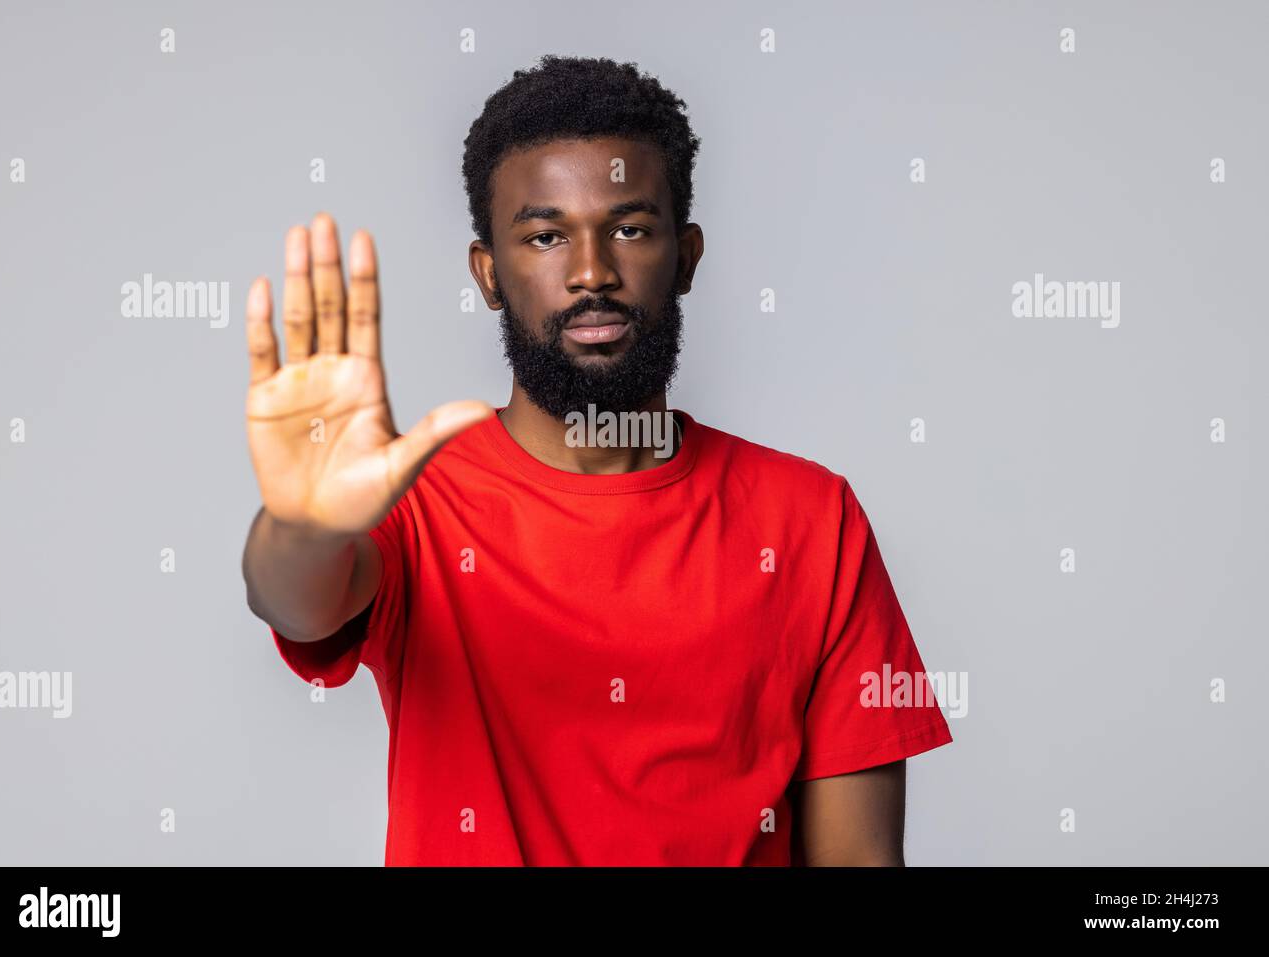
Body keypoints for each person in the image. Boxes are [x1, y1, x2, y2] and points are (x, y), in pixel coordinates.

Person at [241, 54, 952, 866]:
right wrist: (300, 527)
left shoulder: (811, 520)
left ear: (685, 256)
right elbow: (297, 602)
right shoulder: (417, 503)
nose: (592, 273)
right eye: (546, 235)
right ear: (489, 275)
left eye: (629, 228)